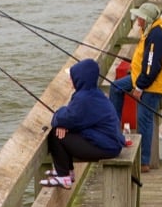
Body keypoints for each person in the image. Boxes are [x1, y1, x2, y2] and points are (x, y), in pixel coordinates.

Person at [108, 2, 162, 173]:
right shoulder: (149, 31)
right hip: (142, 77)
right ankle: (114, 131)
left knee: (144, 119)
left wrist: (139, 87)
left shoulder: (156, 35)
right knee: (116, 88)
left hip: (153, 84)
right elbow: (145, 62)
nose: (137, 19)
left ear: (146, 19)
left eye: (139, 17)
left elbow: (152, 67)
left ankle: (144, 161)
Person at [40, 58, 125, 189]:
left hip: (107, 147)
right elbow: (71, 118)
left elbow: (63, 119)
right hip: (110, 141)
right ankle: (67, 172)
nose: (70, 80)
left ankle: (64, 177)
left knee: (55, 135)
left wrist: (59, 118)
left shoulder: (84, 99)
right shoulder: (92, 93)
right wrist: (64, 123)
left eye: (72, 77)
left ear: (80, 79)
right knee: (62, 130)